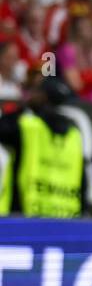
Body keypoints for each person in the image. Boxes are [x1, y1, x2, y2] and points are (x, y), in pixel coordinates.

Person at [0, 73, 84, 218]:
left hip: (24, 212)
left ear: (43, 96)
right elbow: (83, 178)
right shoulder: (74, 134)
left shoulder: (26, 126)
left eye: (36, 90)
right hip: (65, 216)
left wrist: (23, 108)